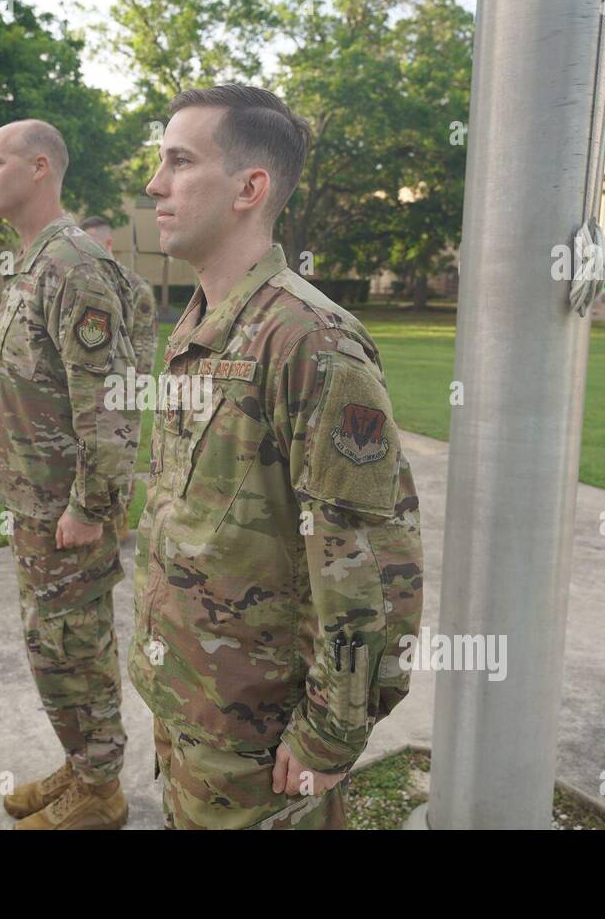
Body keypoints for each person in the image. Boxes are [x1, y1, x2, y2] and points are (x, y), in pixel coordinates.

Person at [129, 85, 425, 829]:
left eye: (179, 162)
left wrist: (331, 733)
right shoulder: (203, 324)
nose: (154, 185)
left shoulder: (311, 341)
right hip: (194, 702)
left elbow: (367, 563)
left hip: (261, 740)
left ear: (249, 189)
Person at [0, 119, 141, 830]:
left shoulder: (73, 264)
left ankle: (101, 790)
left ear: (39, 167)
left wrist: (90, 507)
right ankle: (81, 765)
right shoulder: (35, 261)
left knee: (75, 646)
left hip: (66, 510)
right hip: (35, 503)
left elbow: (111, 401)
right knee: (52, 648)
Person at [79, 215, 159, 542]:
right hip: (83, 395)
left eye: (92, 245)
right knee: (84, 463)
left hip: (121, 394)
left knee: (119, 468)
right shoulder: (79, 286)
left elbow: (144, 348)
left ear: (109, 244)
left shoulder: (135, 288)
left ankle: (116, 529)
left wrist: (127, 398)